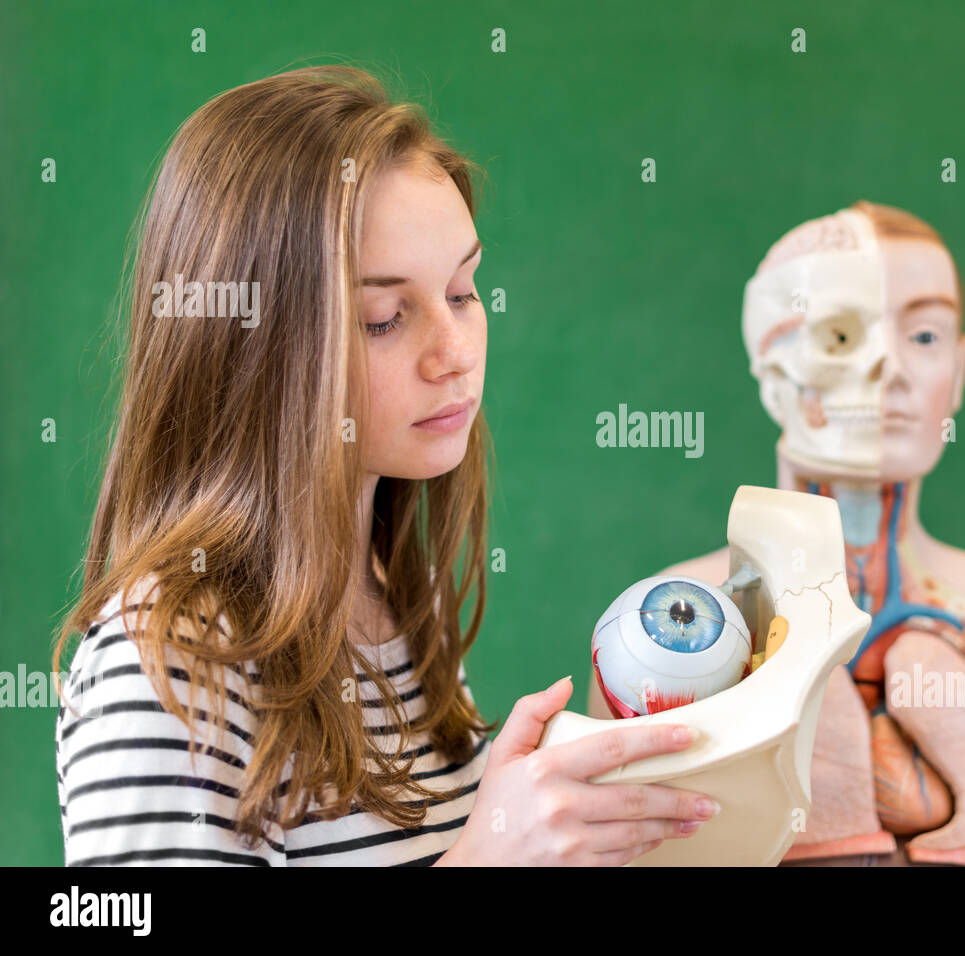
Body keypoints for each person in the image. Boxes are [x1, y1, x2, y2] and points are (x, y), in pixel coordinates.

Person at [52, 65, 718, 867]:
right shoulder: (162, 666)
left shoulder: (395, 590)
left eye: (464, 292)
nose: (456, 353)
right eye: (382, 318)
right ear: (248, 345)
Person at [588, 202, 965, 866]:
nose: (890, 369)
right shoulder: (659, 633)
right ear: (771, 371)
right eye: (839, 337)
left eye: (924, 337)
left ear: (959, 371)